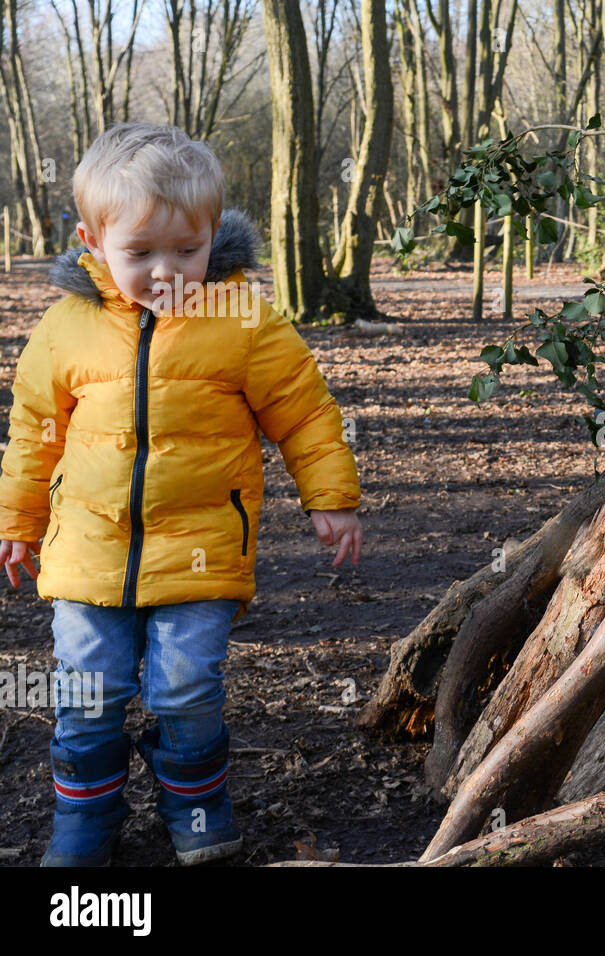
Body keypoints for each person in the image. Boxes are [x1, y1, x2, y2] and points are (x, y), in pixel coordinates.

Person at [0, 123, 364, 866]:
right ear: (92, 241)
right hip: (87, 556)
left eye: (187, 251)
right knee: (88, 692)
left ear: (212, 238)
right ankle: (85, 820)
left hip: (201, 551)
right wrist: (18, 520)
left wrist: (332, 495)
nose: (167, 271)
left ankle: (196, 803)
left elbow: (303, 408)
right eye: (141, 253)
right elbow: (35, 431)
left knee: (187, 687)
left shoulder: (242, 319)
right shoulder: (65, 329)